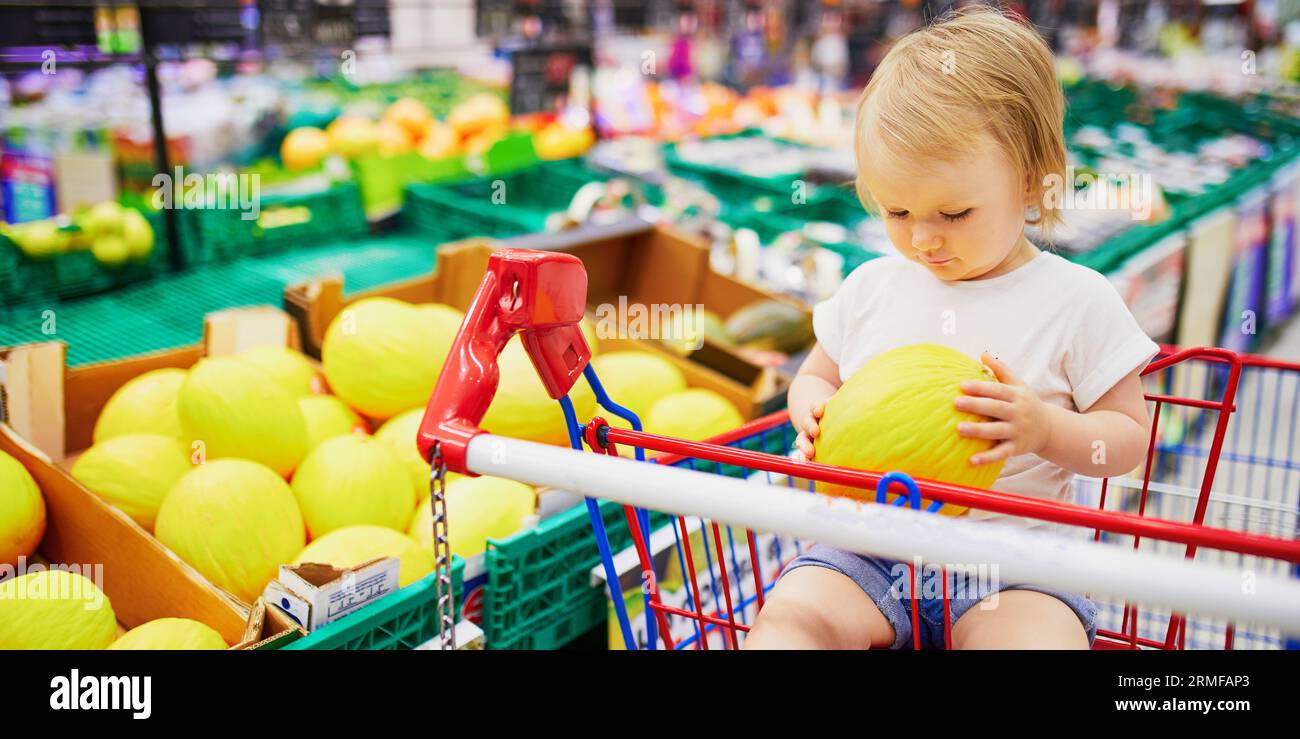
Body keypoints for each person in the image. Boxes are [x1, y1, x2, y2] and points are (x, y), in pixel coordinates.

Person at [745, 8, 1157, 650]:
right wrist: (815, 411)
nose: (922, 237)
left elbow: (1129, 436)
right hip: (867, 549)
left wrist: (1045, 429)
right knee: (790, 624)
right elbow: (817, 376)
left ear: (1031, 179)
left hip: (1015, 564)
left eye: (954, 212)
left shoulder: (1076, 300)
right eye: (897, 211)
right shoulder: (873, 287)